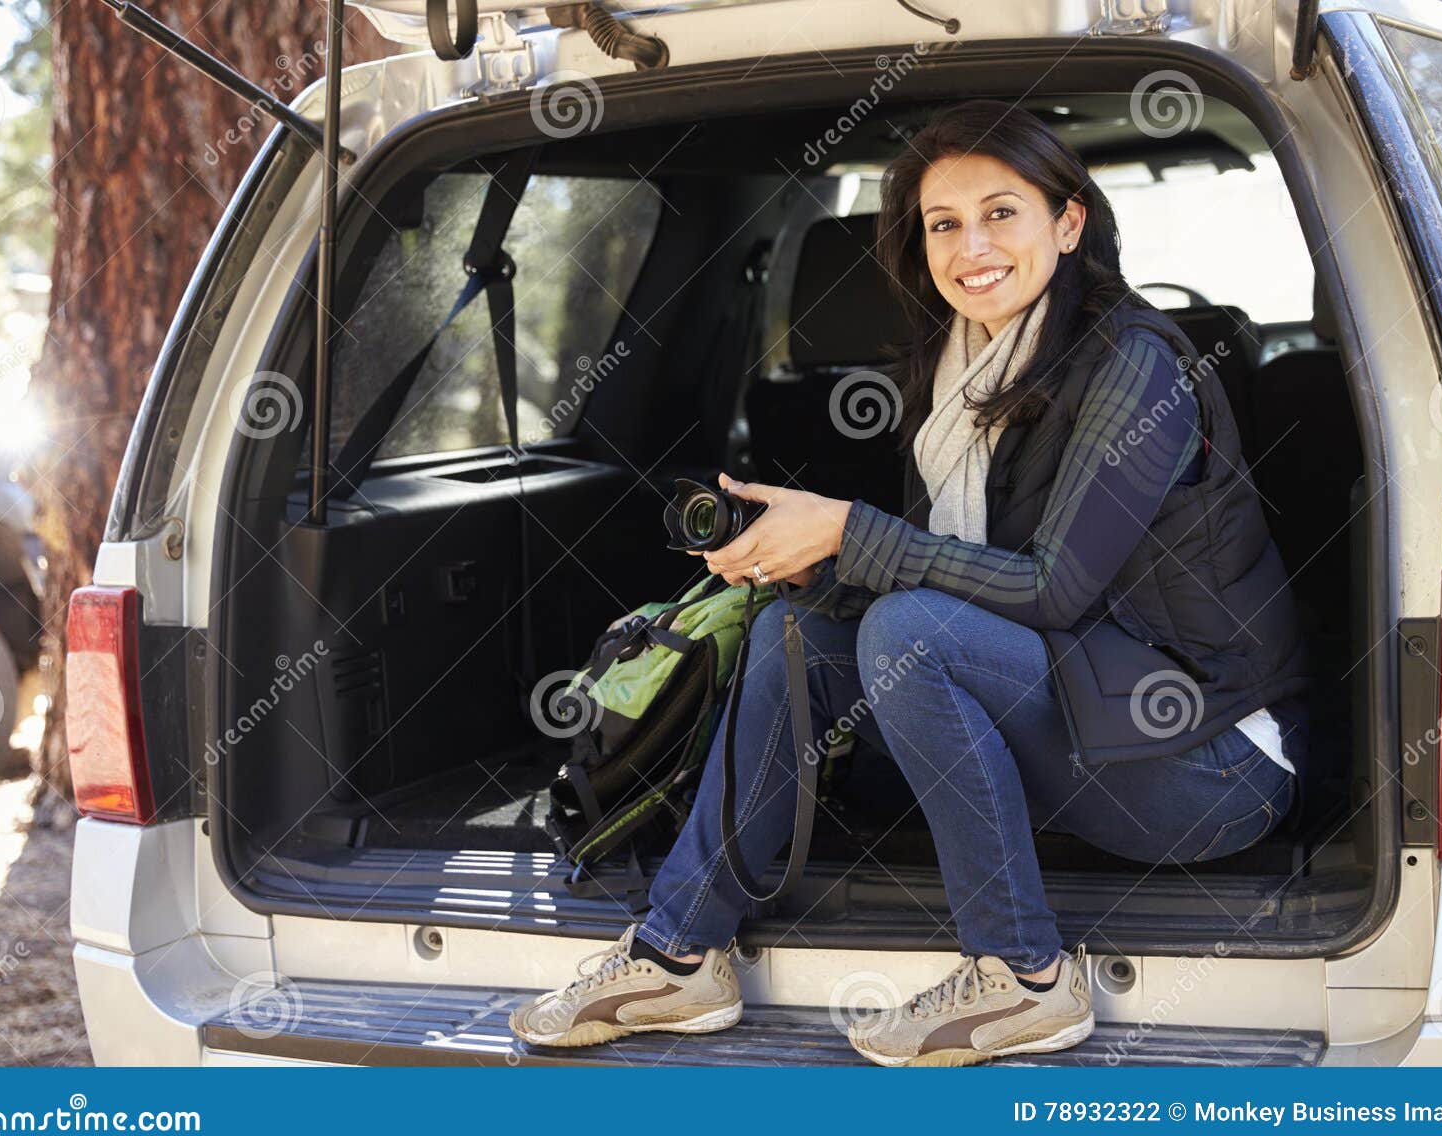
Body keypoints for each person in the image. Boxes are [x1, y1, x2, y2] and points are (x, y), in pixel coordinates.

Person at [510, 98, 1311, 1066]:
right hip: (1086, 707)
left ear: (1068, 222)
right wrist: (815, 561)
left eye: (1001, 212)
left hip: (1206, 762)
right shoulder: (958, 376)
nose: (971, 245)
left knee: (909, 632)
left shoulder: (1135, 368)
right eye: (943, 223)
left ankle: (1021, 977)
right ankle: (679, 950)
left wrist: (854, 533)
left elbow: (1050, 590)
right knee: (794, 629)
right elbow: (951, 576)